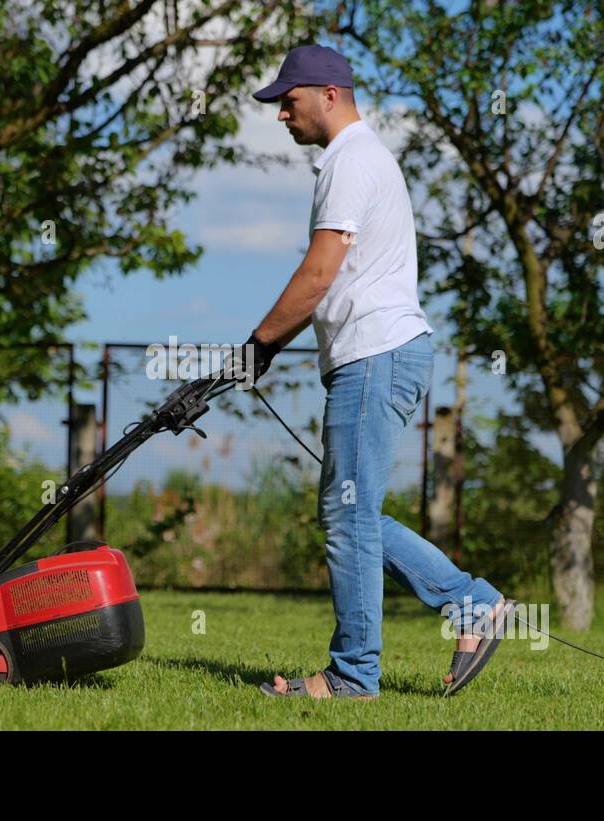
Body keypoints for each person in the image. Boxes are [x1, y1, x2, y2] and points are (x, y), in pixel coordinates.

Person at [237, 45, 515, 700]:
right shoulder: (357, 159)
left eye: (289, 99)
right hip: (379, 354)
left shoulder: (351, 160)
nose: (281, 113)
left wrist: (259, 344)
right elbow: (329, 282)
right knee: (351, 511)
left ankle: (354, 673)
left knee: (347, 513)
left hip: (375, 355)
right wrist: (266, 347)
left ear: (329, 93)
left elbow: (319, 273)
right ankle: (473, 603)